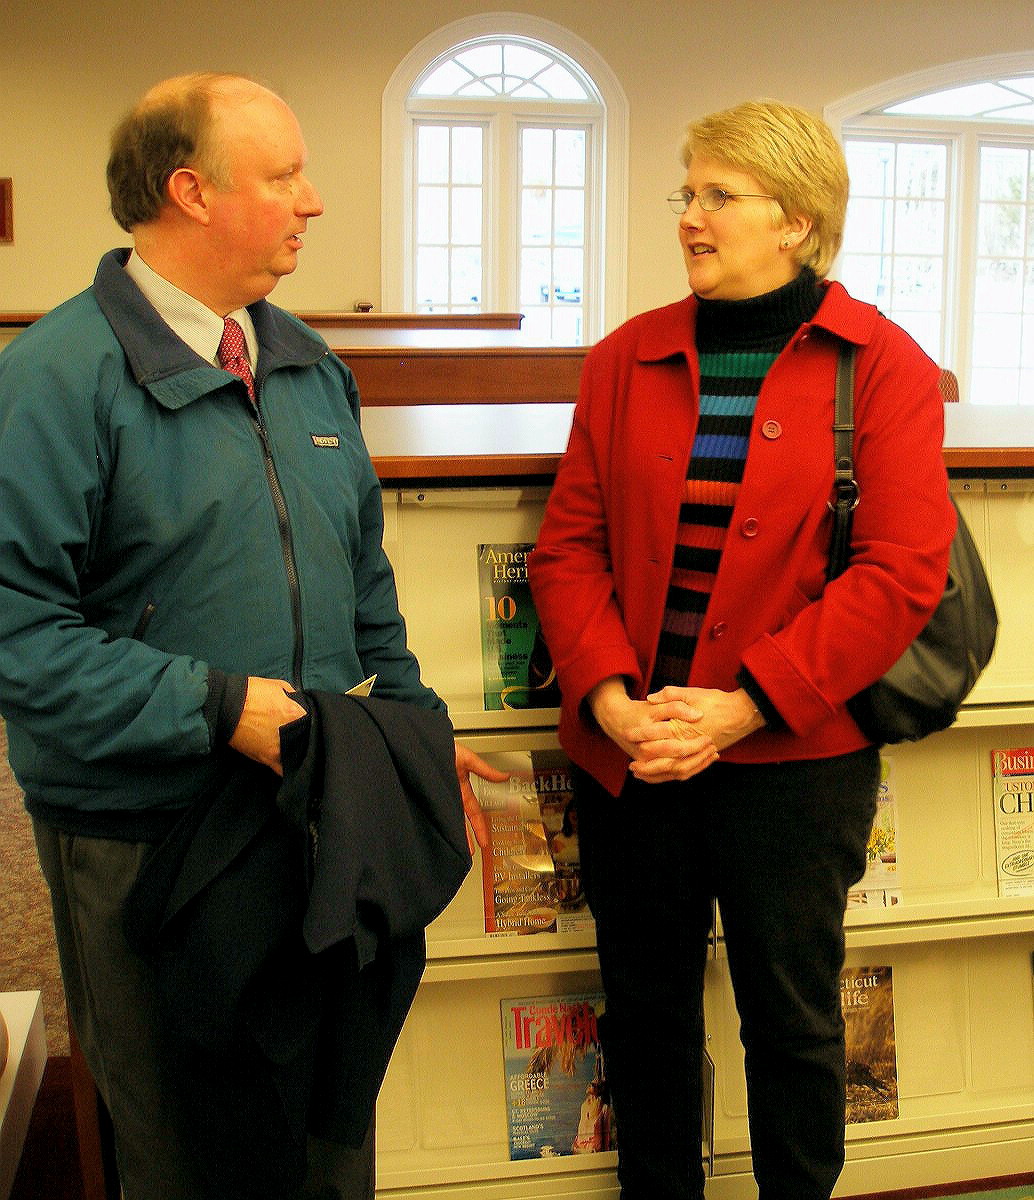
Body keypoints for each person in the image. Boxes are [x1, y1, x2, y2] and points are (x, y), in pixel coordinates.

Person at [0, 72, 500, 1200]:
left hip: (313, 808)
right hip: (142, 830)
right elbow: (19, 636)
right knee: (183, 1146)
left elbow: (365, 585)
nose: (312, 200)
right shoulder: (52, 380)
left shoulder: (307, 366)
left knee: (325, 1126)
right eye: (282, 176)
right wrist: (218, 706)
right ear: (189, 190)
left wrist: (412, 741)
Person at [527, 99, 955, 1200]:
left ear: (798, 222)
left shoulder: (884, 368)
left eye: (719, 196)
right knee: (647, 1016)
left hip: (791, 765)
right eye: (687, 192)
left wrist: (741, 705)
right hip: (636, 756)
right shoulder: (623, 358)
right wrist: (611, 697)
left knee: (792, 1024)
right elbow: (568, 544)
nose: (689, 217)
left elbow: (899, 572)